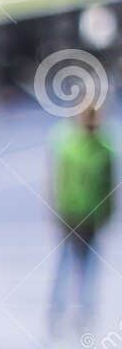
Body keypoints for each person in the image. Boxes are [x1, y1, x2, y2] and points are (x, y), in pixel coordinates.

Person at [48, 99, 115, 335]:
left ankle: (84, 313)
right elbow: (59, 181)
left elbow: (109, 187)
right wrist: (57, 210)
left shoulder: (105, 149)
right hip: (71, 215)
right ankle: (57, 310)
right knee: (66, 264)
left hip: (91, 217)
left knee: (86, 267)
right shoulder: (68, 146)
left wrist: (107, 213)